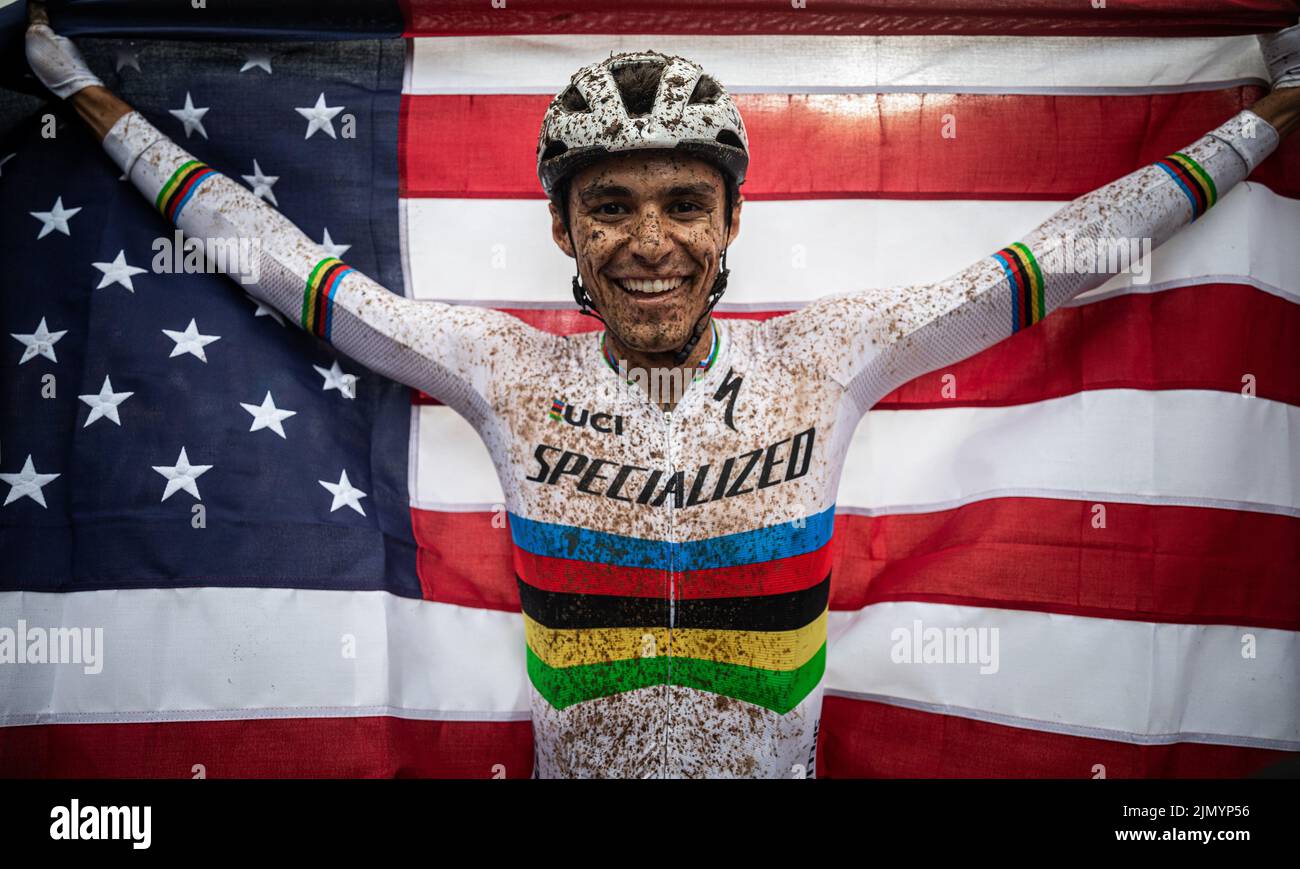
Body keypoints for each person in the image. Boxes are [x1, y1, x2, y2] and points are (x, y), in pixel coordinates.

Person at [25, 5, 1300, 778]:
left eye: (685, 202)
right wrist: (83, 95)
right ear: (567, 235)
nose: (651, 240)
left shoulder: (828, 353)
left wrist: (1259, 126)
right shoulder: (501, 368)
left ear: (731, 217)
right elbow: (287, 267)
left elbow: (1060, 259)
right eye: (611, 207)